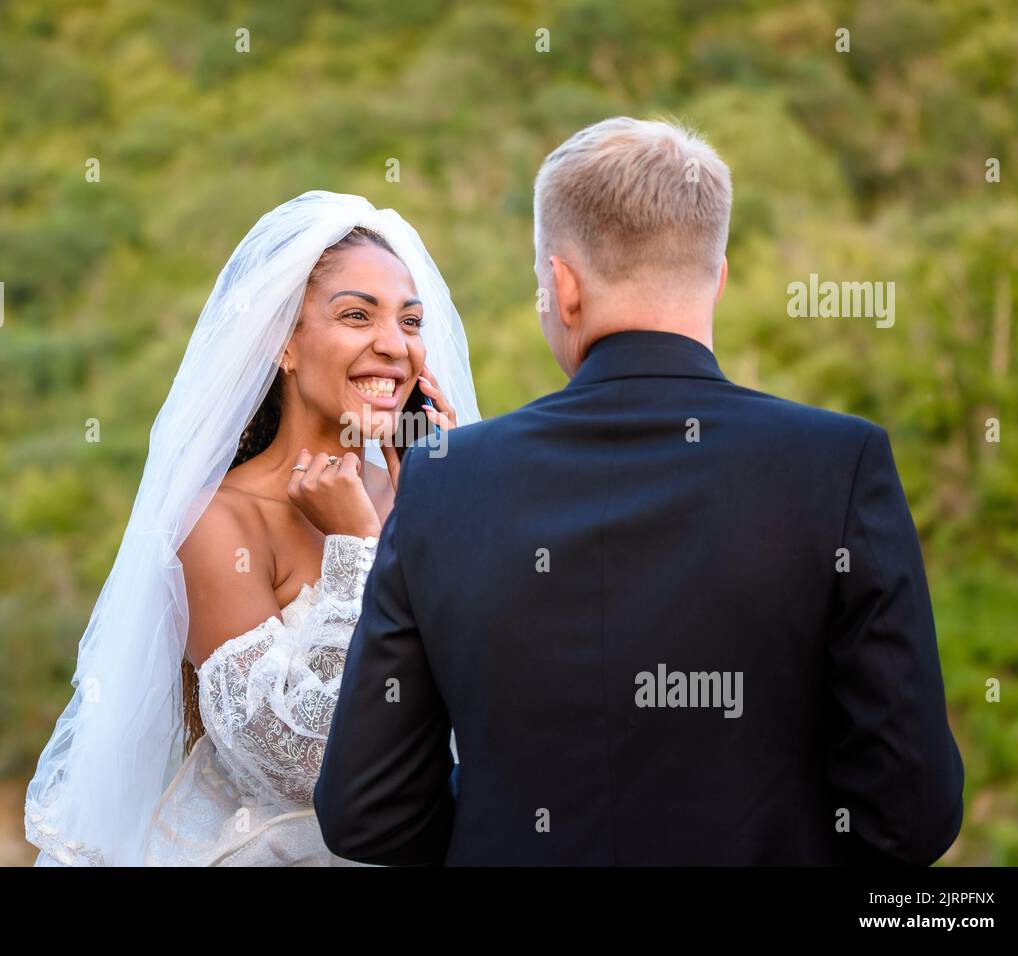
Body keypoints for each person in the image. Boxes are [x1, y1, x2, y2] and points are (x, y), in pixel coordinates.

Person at [314, 118, 964, 866]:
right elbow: (912, 814)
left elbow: (366, 812)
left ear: (562, 286)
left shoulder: (441, 479)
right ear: (717, 278)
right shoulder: (841, 463)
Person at [24, 191, 479, 866]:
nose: (394, 345)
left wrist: (438, 503)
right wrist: (358, 550)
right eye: (357, 315)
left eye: (410, 322)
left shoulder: (422, 497)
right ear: (284, 344)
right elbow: (303, 762)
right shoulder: (216, 521)